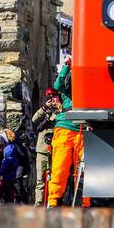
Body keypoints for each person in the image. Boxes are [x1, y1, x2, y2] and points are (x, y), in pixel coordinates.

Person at [45, 55, 88, 208]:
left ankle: (84, 203)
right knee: (59, 168)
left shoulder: (89, 88)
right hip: (64, 130)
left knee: (83, 171)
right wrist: (67, 66)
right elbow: (57, 85)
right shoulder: (64, 92)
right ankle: (53, 201)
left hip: (83, 131)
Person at [30, 88, 61, 206]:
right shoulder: (45, 110)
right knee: (40, 180)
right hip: (42, 149)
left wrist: (59, 108)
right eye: (50, 98)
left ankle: (53, 202)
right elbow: (34, 119)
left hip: (57, 149)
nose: (52, 100)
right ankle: (38, 203)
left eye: (54, 97)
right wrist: (44, 108)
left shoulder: (62, 110)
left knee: (55, 178)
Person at [0, 129, 24, 203]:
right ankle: (11, 202)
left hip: (10, 175)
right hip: (11, 175)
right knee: (10, 191)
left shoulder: (11, 148)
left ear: (3, 142)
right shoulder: (6, 149)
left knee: (2, 189)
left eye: (1, 146)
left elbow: (4, 166)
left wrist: (0, 174)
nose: (0, 149)